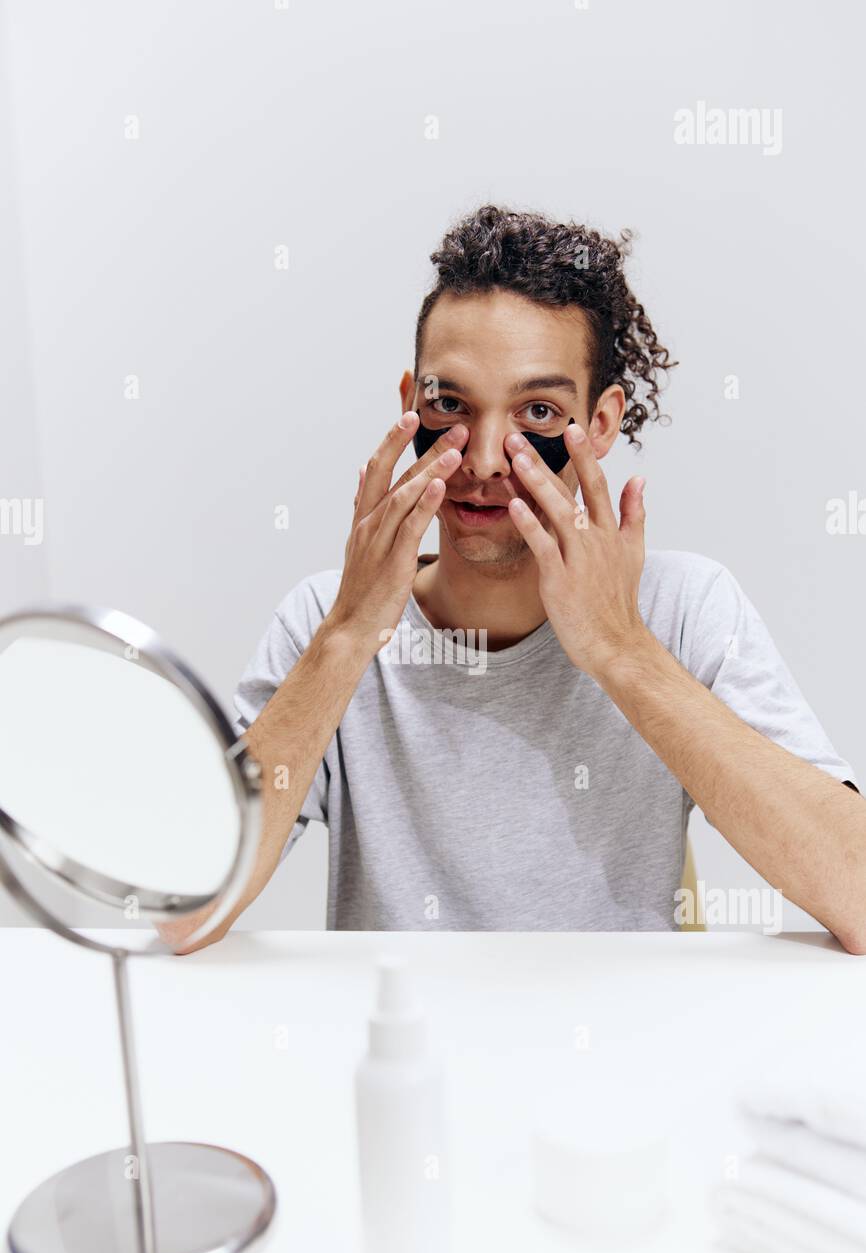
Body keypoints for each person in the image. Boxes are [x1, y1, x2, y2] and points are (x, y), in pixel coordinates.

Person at [161, 205, 863, 953]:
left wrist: (622, 652)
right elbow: (181, 912)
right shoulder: (326, 621)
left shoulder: (683, 609)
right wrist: (347, 636)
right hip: (404, 1058)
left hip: (626, 1055)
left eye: (537, 410)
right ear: (411, 404)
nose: (487, 459)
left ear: (598, 424)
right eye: (451, 404)